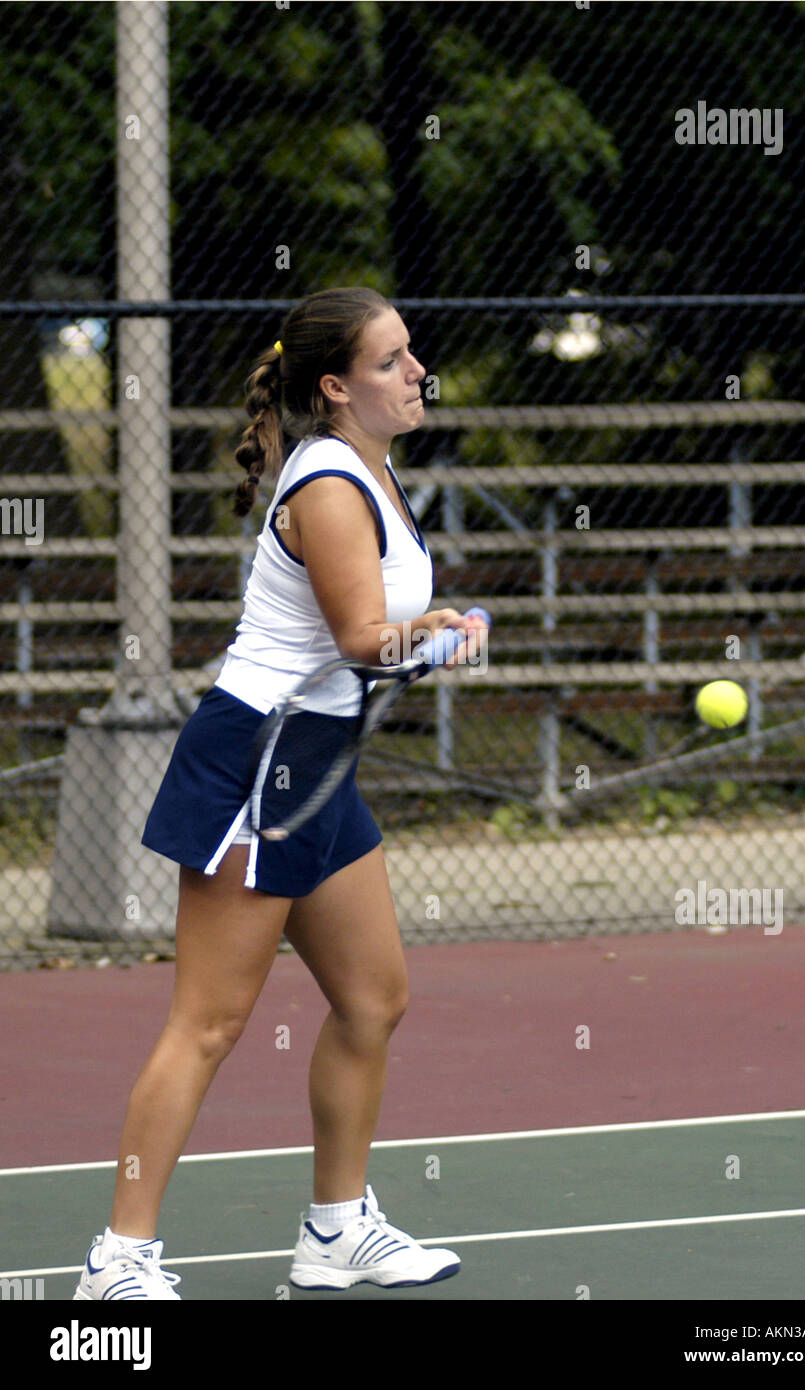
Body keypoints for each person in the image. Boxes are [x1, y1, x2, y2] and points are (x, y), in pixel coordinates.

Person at [74, 286, 488, 1299]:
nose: (414, 371)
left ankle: (336, 1230)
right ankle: (116, 1260)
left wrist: (428, 619)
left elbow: (358, 625)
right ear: (338, 388)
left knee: (372, 996)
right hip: (258, 758)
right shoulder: (331, 484)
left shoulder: (375, 475)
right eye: (391, 361)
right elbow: (359, 640)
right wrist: (444, 640)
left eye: (410, 355)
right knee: (208, 1022)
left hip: (315, 763)